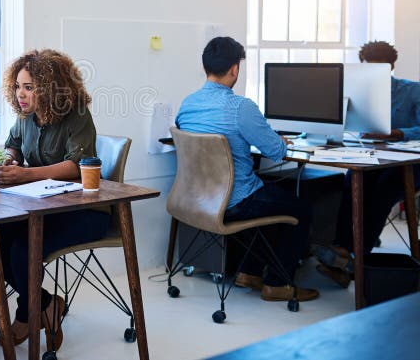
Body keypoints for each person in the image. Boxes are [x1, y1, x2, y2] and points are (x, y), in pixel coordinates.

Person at [0, 49, 110, 351]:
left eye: (29, 87)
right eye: (18, 86)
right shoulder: (26, 118)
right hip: (42, 211)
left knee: (23, 249)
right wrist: (9, 160)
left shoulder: (78, 117)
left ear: (50, 89)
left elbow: (77, 165)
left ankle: (26, 314)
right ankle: (47, 303)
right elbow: (13, 145)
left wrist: (26, 175)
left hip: (85, 212)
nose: (20, 94)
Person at [176, 36, 319, 302]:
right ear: (234, 69)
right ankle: (278, 284)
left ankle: (248, 273)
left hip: (198, 199)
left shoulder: (187, 104)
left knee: (268, 195)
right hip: (234, 201)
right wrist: (280, 139)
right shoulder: (241, 107)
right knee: (300, 207)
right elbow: (275, 151)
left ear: (206, 67)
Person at [315, 40, 420, 288]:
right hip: (378, 159)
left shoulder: (412, 90)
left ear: (391, 67)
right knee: (353, 181)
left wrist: (397, 133)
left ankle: (356, 261)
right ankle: (341, 251)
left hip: (410, 165)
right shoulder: (361, 93)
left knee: (382, 193)